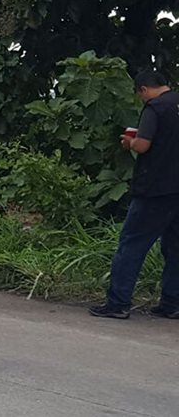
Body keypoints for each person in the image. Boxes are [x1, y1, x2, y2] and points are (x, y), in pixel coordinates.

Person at [90, 71, 179, 320]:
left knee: (132, 244)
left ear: (143, 89)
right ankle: (172, 303)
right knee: (175, 248)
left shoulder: (155, 108)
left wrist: (130, 142)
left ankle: (118, 303)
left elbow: (143, 145)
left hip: (155, 190)